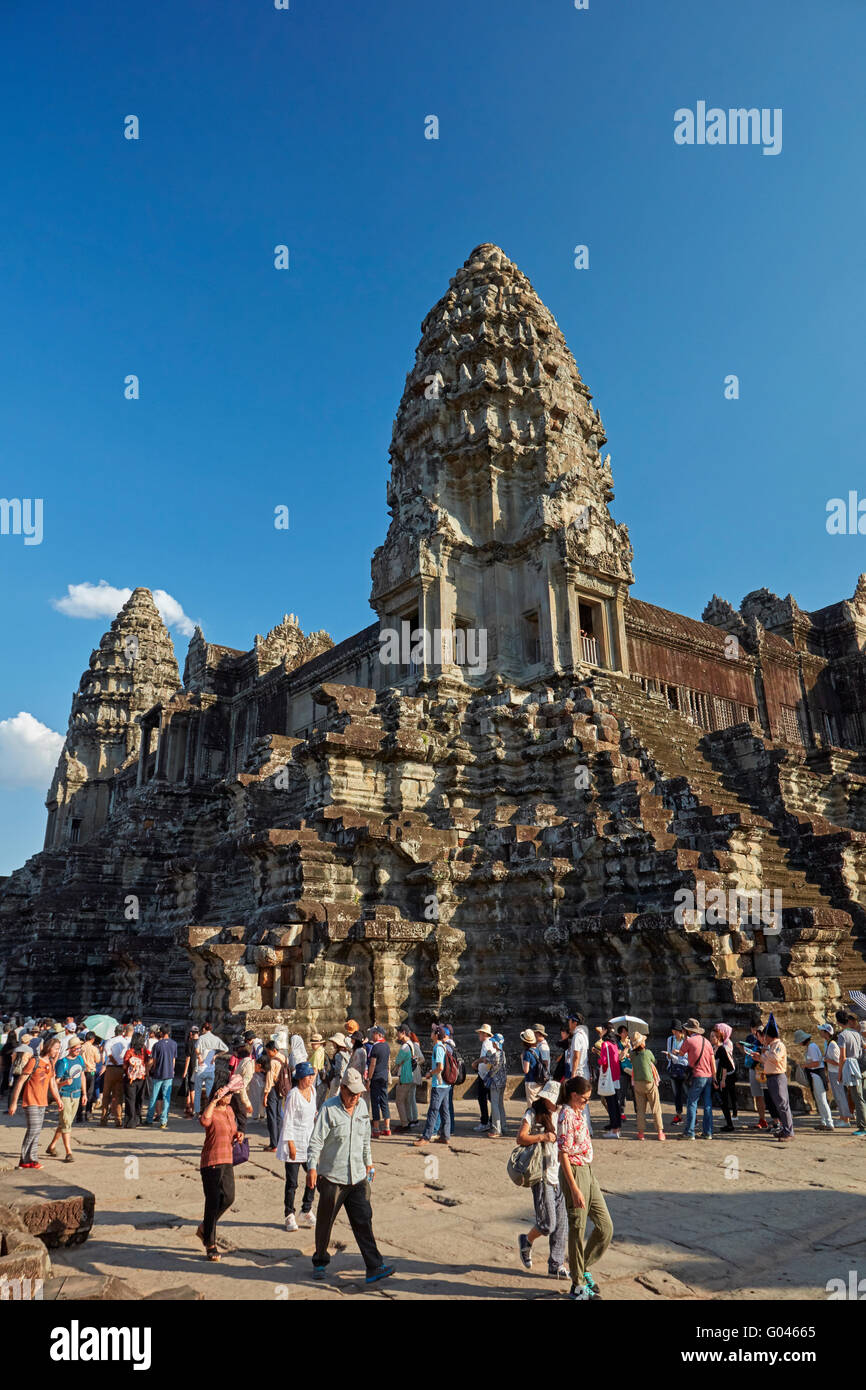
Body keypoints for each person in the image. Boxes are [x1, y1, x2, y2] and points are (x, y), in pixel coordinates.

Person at [305, 1068, 394, 1285]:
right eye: (351, 1093)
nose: (355, 1097)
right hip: (332, 1177)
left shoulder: (362, 1106)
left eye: (358, 1093)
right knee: (325, 1222)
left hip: (357, 1176)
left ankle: (374, 1266)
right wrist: (311, 1168)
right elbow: (316, 1141)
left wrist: (369, 1162)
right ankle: (319, 1261)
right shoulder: (329, 1109)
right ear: (342, 1089)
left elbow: (365, 1139)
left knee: (364, 1220)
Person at [557, 1077, 613, 1301]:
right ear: (573, 1095)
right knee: (577, 1228)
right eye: (585, 1099)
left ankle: (582, 1266)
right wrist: (574, 1189)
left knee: (605, 1226)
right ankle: (577, 1285)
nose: (587, 1103)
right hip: (574, 1173)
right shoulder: (566, 1115)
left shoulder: (579, 1111)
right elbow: (563, 1155)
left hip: (588, 1171)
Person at [516, 1079, 568, 1279]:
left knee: (561, 1225)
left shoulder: (561, 1113)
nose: (551, 1103)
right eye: (548, 1099)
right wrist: (543, 1137)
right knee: (548, 1224)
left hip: (559, 1174)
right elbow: (520, 1138)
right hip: (542, 1175)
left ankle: (556, 1264)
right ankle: (526, 1240)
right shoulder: (533, 1113)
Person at [197, 1077, 241, 1261]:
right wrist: (214, 1100)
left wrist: (237, 1134)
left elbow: (232, 1129)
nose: (229, 1097)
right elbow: (204, 1121)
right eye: (226, 1094)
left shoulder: (230, 1110)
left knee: (229, 1197)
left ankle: (205, 1228)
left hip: (227, 1158)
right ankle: (210, 1244)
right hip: (211, 1161)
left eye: (230, 1094)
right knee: (213, 1201)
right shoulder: (212, 1110)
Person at [9, 1036, 62, 1168]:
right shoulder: (34, 1061)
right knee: (33, 1129)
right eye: (56, 1049)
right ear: (49, 1048)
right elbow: (20, 1081)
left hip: (42, 1102)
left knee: (37, 1131)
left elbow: (53, 1084)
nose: (57, 1051)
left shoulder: (50, 1064)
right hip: (31, 1100)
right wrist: (14, 1103)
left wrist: (58, 1099)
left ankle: (32, 1159)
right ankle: (25, 1159)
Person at [277, 1062, 319, 1232]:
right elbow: (287, 1120)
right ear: (301, 1077)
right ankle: (289, 1214)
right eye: (308, 1076)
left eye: (312, 1075)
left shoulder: (313, 1091)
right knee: (292, 1182)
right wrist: (291, 1144)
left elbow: (313, 1115)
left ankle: (306, 1209)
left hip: (309, 1142)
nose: (311, 1079)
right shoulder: (293, 1095)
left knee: (313, 1176)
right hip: (294, 1141)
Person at [754, 1016, 794, 1141]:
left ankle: (789, 1131)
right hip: (771, 1076)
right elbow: (767, 1059)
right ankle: (784, 1129)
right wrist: (758, 1057)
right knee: (778, 1105)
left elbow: (775, 1058)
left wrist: (765, 1053)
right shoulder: (771, 1046)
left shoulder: (778, 1045)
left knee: (782, 1105)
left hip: (777, 1076)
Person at [46, 1035, 85, 1162]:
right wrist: (64, 1083)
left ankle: (51, 1146)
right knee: (66, 1124)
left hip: (77, 1095)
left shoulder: (80, 1059)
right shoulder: (63, 1062)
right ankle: (69, 1152)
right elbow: (54, 1083)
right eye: (76, 1048)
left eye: (79, 1048)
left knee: (64, 1123)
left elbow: (82, 1076)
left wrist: (84, 1093)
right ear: (70, 1049)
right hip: (66, 1096)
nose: (78, 1050)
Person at [677, 1018, 715, 1140]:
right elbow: (712, 1061)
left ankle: (690, 1132)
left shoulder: (689, 1041)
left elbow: (681, 1054)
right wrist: (714, 1077)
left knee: (692, 1103)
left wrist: (684, 1040)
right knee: (708, 1105)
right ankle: (708, 1132)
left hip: (697, 1075)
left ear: (688, 1030)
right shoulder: (707, 1042)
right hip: (708, 1075)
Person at [414, 1025, 451, 1147]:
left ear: (436, 1035)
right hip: (445, 1085)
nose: (431, 1033)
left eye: (433, 1032)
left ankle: (426, 1137)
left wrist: (430, 1073)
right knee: (444, 1110)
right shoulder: (443, 1046)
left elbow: (440, 1067)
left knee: (433, 1111)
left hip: (439, 1085)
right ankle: (445, 1136)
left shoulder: (438, 1047)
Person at [795, 1027, 834, 1130]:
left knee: (822, 1099)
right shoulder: (810, 1047)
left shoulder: (812, 1047)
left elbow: (816, 1063)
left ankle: (829, 1122)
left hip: (817, 1075)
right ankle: (824, 1121)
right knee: (819, 1099)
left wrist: (805, 1066)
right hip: (815, 1075)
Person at [630, 1031, 665, 1141]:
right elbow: (654, 1061)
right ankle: (660, 1132)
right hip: (649, 1083)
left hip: (637, 1084)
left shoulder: (632, 1054)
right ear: (642, 1044)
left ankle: (641, 1133)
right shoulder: (648, 1053)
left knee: (640, 1109)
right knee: (655, 1107)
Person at [836, 1011, 866, 1135]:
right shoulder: (856, 1034)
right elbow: (864, 1047)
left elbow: (842, 1057)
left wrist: (839, 1074)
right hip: (859, 1065)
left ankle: (862, 1126)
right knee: (860, 1097)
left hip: (850, 1066)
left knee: (857, 1097)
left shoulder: (843, 1035)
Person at [144, 1025, 178, 1128]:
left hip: (158, 1073)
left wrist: (151, 1070)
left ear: (161, 1033)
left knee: (154, 1097)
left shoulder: (157, 1045)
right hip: (169, 1073)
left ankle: (149, 1119)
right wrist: (172, 1070)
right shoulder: (174, 1044)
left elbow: (154, 1061)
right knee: (166, 1097)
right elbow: (173, 1060)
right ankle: (164, 1120)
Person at [193, 1024, 229, 1117]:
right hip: (211, 1069)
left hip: (201, 1069)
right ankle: (210, 1111)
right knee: (210, 1091)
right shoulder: (215, 1038)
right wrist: (216, 1056)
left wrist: (199, 1057)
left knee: (197, 1091)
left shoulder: (201, 1038)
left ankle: (197, 1112)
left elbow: (197, 1050)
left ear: (204, 1029)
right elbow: (226, 1049)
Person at [100, 1025, 131, 1127]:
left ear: (115, 1032)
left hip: (111, 1068)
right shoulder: (126, 1042)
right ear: (123, 1032)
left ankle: (104, 1119)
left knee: (106, 1094)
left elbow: (108, 1053)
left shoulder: (110, 1041)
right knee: (118, 1095)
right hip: (121, 1068)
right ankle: (118, 1119)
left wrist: (114, 1061)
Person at [366, 1025, 392, 1139]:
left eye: (374, 1033)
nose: (372, 1035)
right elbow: (388, 1062)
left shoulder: (375, 1048)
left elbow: (372, 1064)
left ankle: (376, 1128)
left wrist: (369, 1079)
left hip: (376, 1077)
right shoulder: (386, 1046)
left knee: (375, 1102)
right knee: (384, 1101)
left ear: (379, 1035)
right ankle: (387, 1127)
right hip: (384, 1076)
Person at [710, 1025, 737, 1132]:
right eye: (711, 1036)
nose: (711, 1038)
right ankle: (729, 1124)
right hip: (717, 1078)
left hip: (724, 1078)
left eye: (713, 1037)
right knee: (722, 1102)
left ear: (719, 1038)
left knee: (724, 1102)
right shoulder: (714, 1048)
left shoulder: (722, 1049)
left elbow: (726, 1065)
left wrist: (722, 1080)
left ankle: (730, 1125)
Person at [393, 1024, 420, 1130]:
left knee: (399, 1101)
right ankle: (407, 1121)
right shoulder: (411, 1044)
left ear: (403, 1032)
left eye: (398, 1032)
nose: (397, 1035)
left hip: (404, 1075)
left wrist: (400, 1063)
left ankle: (405, 1124)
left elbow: (397, 1061)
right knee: (405, 1100)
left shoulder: (404, 1047)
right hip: (409, 1074)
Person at [263, 1040, 288, 1151]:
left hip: (272, 1089)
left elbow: (269, 1079)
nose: (268, 1054)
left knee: (272, 1117)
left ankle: (274, 1144)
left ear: (274, 1050)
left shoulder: (273, 1062)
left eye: (268, 1052)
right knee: (278, 1115)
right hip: (281, 1089)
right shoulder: (284, 1058)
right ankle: (278, 1141)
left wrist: (265, 1095)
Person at [596, 1029, 622, 1138]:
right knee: (615, 1103)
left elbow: (604, 1061)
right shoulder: (614, 1044)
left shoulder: (605, 1044)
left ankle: (614, 1130)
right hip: (615, 1076)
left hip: (608, 1078)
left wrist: (599, 1060)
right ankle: (617, 1127)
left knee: (611, 1104)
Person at [824, 1024, 851, 1125]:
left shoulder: (832, 1045)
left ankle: (846, 1119)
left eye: (822, 1031)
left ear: (826, 1033)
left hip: (836, 1072)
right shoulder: (830, 1043)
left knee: (840, 1096)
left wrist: (827, 1060)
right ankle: (842, 1117)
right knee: (838, 1096)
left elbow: (838, 1062)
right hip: (833, 1072)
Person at [471, 1023, 496, 1132]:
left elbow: (487, 1058)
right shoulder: (490, 1043)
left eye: (480, 1033)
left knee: (482, 1099)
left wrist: (476, 1062)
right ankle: (491, 1121)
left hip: (485, 1076)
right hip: (488, 1075)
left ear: (484, 1034)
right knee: (491, 1099)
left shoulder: (487, 1044)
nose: (479, 1035)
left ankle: (485, 1122)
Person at [663, 1021, 689, 1124]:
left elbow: (687, 1057)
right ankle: (679, 1115)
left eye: (676, 1031)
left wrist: (677, 1055)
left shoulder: (687, 1040)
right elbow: (668, 1054)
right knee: (677, 1093)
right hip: (673, 1068)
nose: (674, 1033)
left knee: (688, 1093)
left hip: (685, 1069)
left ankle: (694, 1116)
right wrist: (670, 1056)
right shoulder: (670, 1039)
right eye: (673, 1031)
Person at [486, 1032, 508, 1137]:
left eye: (494, 1042)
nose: (493, 1044)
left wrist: (487, 1055)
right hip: (502, 1082)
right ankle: (504, 1126)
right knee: (500, 1105)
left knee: (494, 1105)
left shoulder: (496, 1055)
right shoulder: (503, 1053)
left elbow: (488, 1062)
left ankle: (496, 1129)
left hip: (495, 1083)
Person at [123, 1035, 148, 1128]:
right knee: (139, 1099)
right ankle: (138, 1119)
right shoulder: (143, 1053)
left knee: (130, 1099)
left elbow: (125, 1065)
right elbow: (146, 1062)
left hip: (130, 1080)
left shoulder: (129, 1052)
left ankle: (130, 1121)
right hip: (141, 1078)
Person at [78, 1032, 101, 1123]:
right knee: (89, 1093)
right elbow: (98, 1060)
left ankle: (79, 1114)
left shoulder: (80, 1048)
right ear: (93, 1039)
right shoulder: (94, 1048)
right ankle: (88, 1112)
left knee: (81, 1093)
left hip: (82, 1072)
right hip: (91, 1072)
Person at [520, 1029, 543, 1107]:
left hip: (530, 1081)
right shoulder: (537, 1050)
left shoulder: (527, 1053)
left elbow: (526, 1070)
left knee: (531, 1105)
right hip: (538, 1081)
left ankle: (533, 1119)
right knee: (538, 1104)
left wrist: (522, 1059)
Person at [326, 1033, 351, 1098]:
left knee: (333, 1099)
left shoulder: (338, 1055)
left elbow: (338, 1070)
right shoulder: (347, 1053)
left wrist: (336, 1084)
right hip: (345, 1080)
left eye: (334, 1043)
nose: (333, 1044)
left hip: (338, 1080)